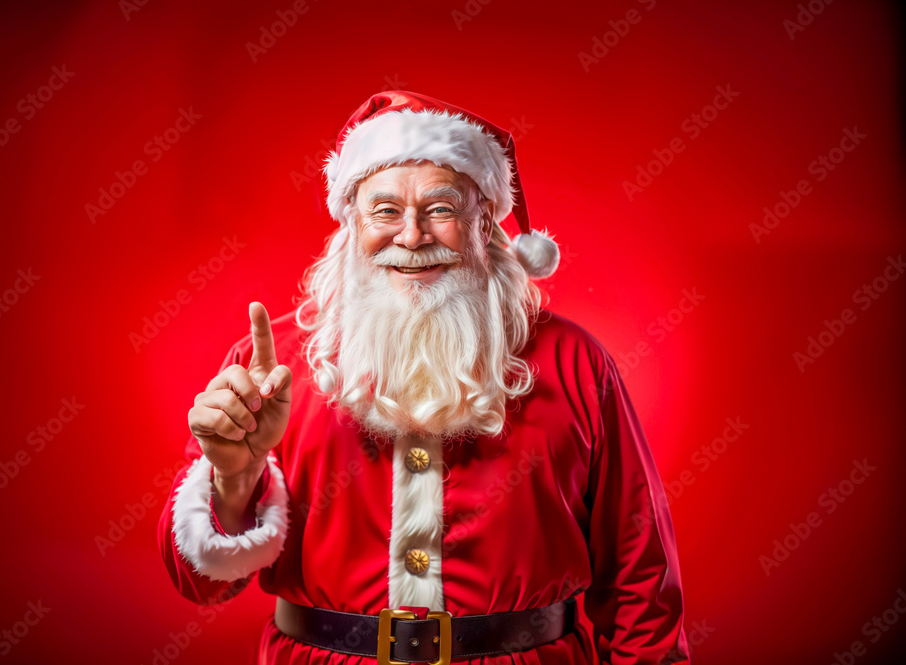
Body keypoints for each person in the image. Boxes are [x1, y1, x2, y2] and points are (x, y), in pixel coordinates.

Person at [157, 90, 690, 664]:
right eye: (384, 211)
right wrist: (235, 477)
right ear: (351, 225)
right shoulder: (271, 366)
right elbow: (202, 584)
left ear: (485, 222)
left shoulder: (575, 364)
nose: (411, 237)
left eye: (440, 209)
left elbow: (641, 579)